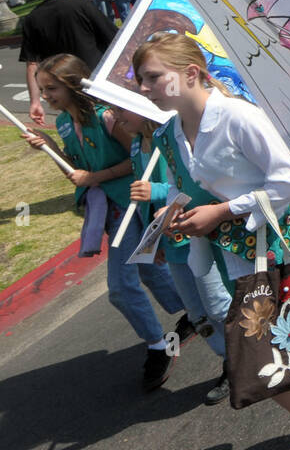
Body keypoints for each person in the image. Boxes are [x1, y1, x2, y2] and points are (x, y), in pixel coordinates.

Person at [133, 34, 290, 450]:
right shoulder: (170, 134)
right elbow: (186, 187)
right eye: (141, 79)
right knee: (287, 336)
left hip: (270, 244)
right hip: (229, 251)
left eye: (153, 77)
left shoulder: (237, 117)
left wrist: (223, 211)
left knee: (264, 355)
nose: (144, 88)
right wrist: (172, 210)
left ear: (190, 73)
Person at [21, 55, 186, 391]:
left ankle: (160, 345)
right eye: (42, 89)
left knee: (121, 287)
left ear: (72, 85)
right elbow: (77, 175)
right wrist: (51, 147)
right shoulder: (65, 123)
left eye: (51, 88)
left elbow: (139, 159)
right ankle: (198, 313)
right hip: (108, 209)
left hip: (133, 204)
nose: (46, 95)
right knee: (148, 268)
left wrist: (96, 175)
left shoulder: (109, 117)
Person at [124, 107, 234, 405]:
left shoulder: (170, 140)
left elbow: (187, 184)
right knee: (196, 312)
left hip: (193, 239)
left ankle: (247, 357)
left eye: (121, 107)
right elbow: (147, 206)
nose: (115, 114)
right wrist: (154, 241)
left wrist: (156, 191)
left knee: (218, 305)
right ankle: (229, 361)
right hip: (170, 244)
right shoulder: (137, 146)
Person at [19, 0, 117, 126]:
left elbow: (32, 64)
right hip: (96, 83)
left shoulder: (32, 19)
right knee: (112, 124)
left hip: (63, 90)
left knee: (83, 129)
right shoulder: (81, 6)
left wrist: (35, 102)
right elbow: (113, 39)